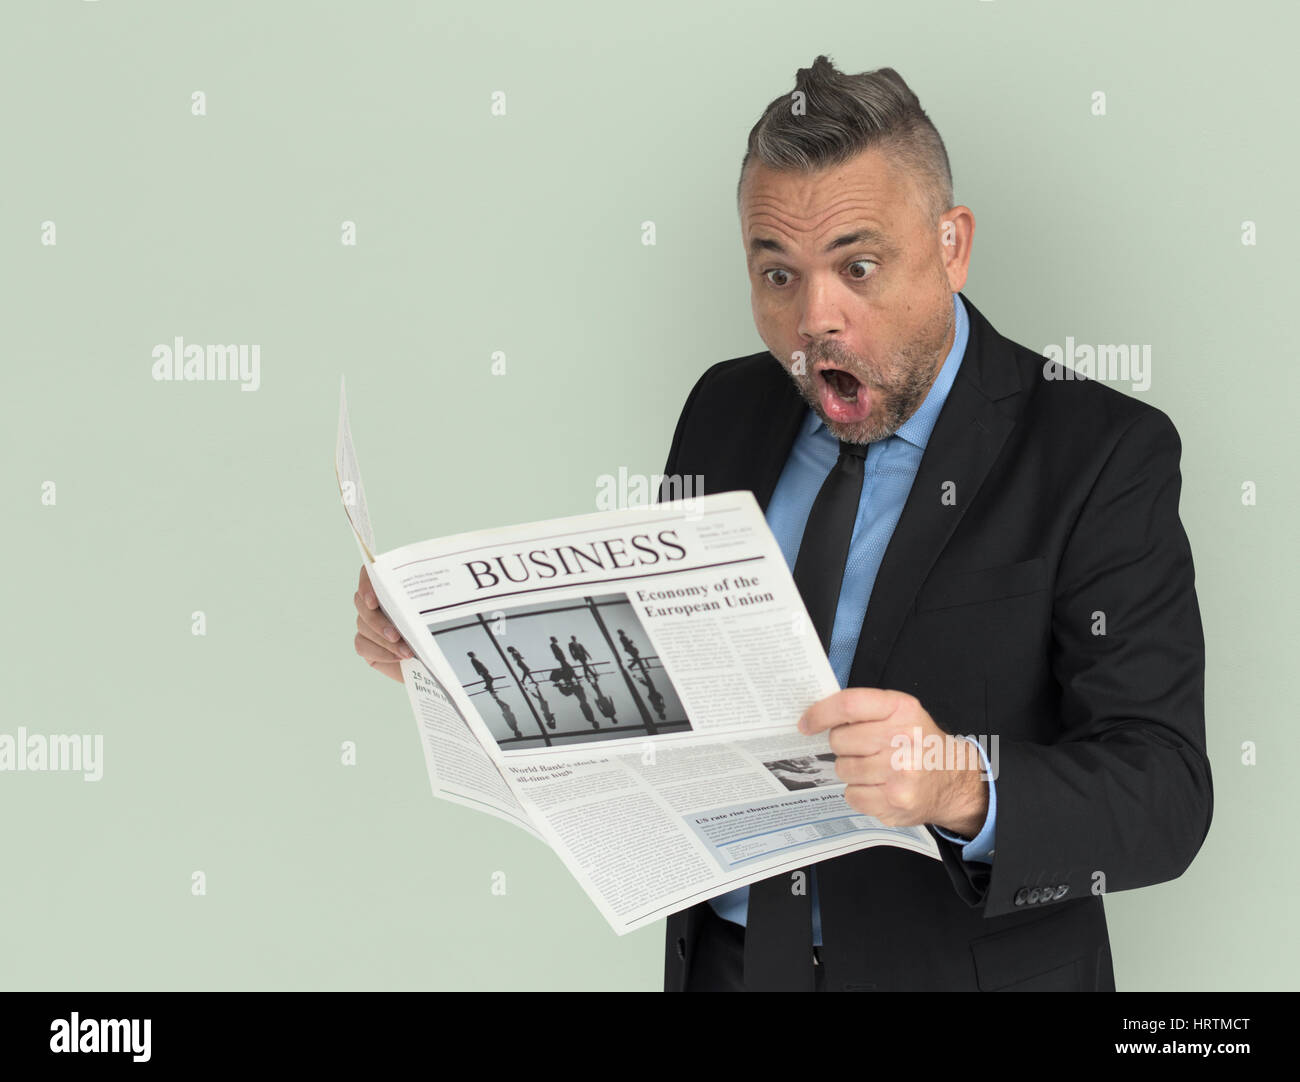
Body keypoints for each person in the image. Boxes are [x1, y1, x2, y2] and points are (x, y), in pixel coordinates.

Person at [352, 56, 1212, 992]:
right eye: (778, 274)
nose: (815, 321)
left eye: (860, 266)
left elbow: (1164, 794)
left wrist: (962, 786)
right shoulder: (722, 411)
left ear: (953, 246)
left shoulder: (1100, 453)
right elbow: (655, 690)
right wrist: (463, 659)